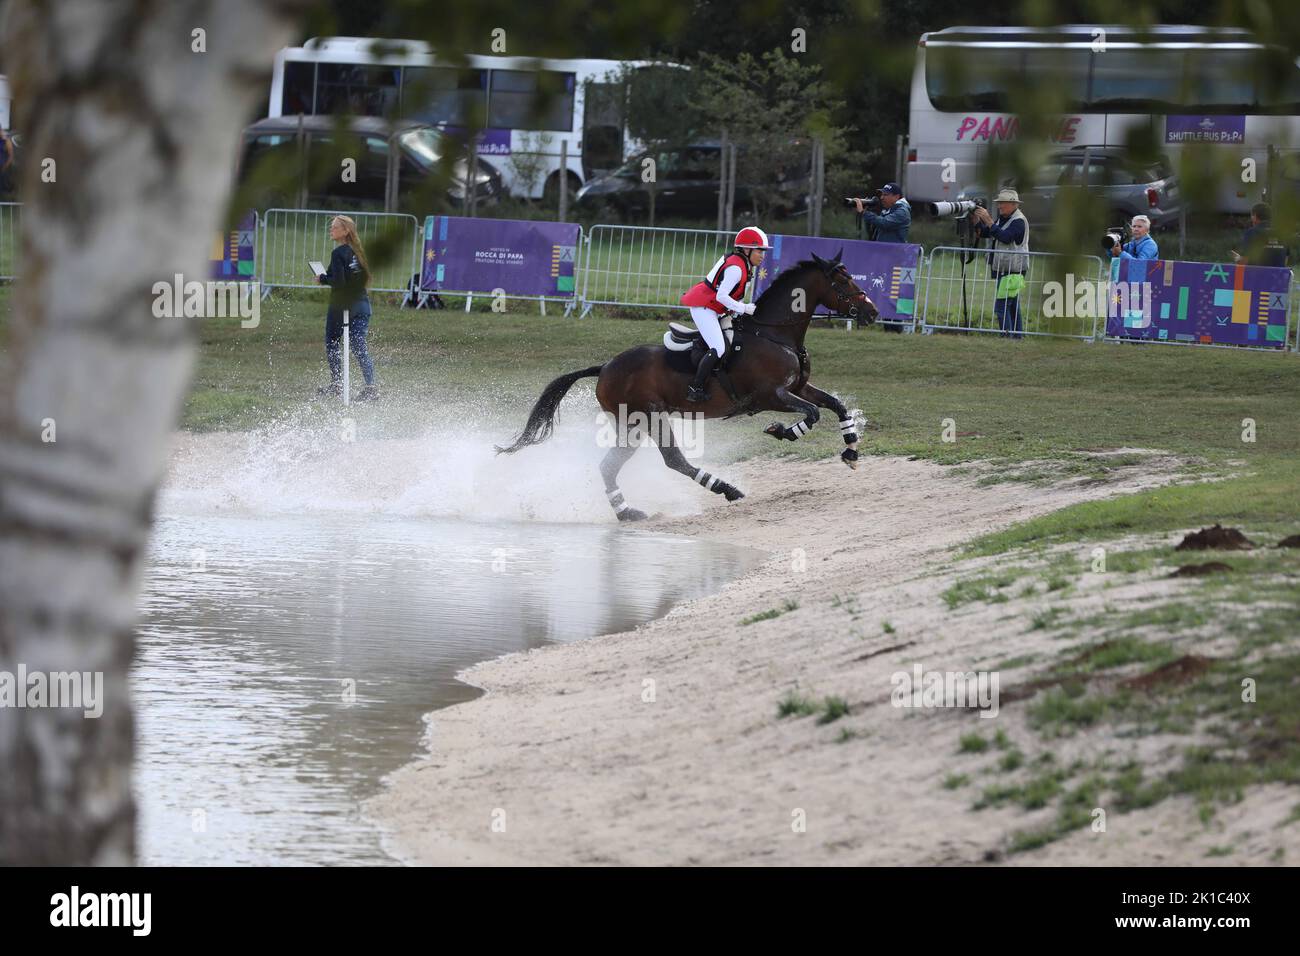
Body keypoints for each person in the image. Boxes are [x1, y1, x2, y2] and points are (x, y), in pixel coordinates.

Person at [678, 226, 770, 402]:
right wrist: (743, 309)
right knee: (719, 348)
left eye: (764, 251)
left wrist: (741, 310)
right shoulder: (737, 268)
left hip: (713, 307)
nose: (762, 256)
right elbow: (721, 296)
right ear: (747, 249)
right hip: (703, 307)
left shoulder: (744, 265)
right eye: (759, 251)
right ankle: (695, 388)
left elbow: (733, 296)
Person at [317, 215, 378, 401]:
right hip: (362, 305)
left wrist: (322, 279)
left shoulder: (338, 253)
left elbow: (339, 282)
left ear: (345, 231)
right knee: (359, 345)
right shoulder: (357, 251)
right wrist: (326, 275)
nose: (331, 230)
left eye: (334, 227)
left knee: (332, 342)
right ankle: (371, 387)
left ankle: (337, 384)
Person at [970, 188, 1030, 338]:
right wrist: (976, 220)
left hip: (1013, 270)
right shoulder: (1003, 218)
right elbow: (986, 233)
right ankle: (1017, 337)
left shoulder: (1018, 221)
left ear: (1013, 204)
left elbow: (1005, 237)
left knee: (1001, 307)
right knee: (1012, 306)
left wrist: (988, 220)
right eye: (999, 203)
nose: (999, 206)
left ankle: (1006, 338)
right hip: (1006, 269)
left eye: (1002, 203)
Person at [1232, 203, 1289, 267]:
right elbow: (1285, 262)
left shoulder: (1251, 233)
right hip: (1278, 276)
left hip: (1258, 275)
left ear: (1255, 216)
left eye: (1252, 216)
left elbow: (1245, 262)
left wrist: (1237, 258)